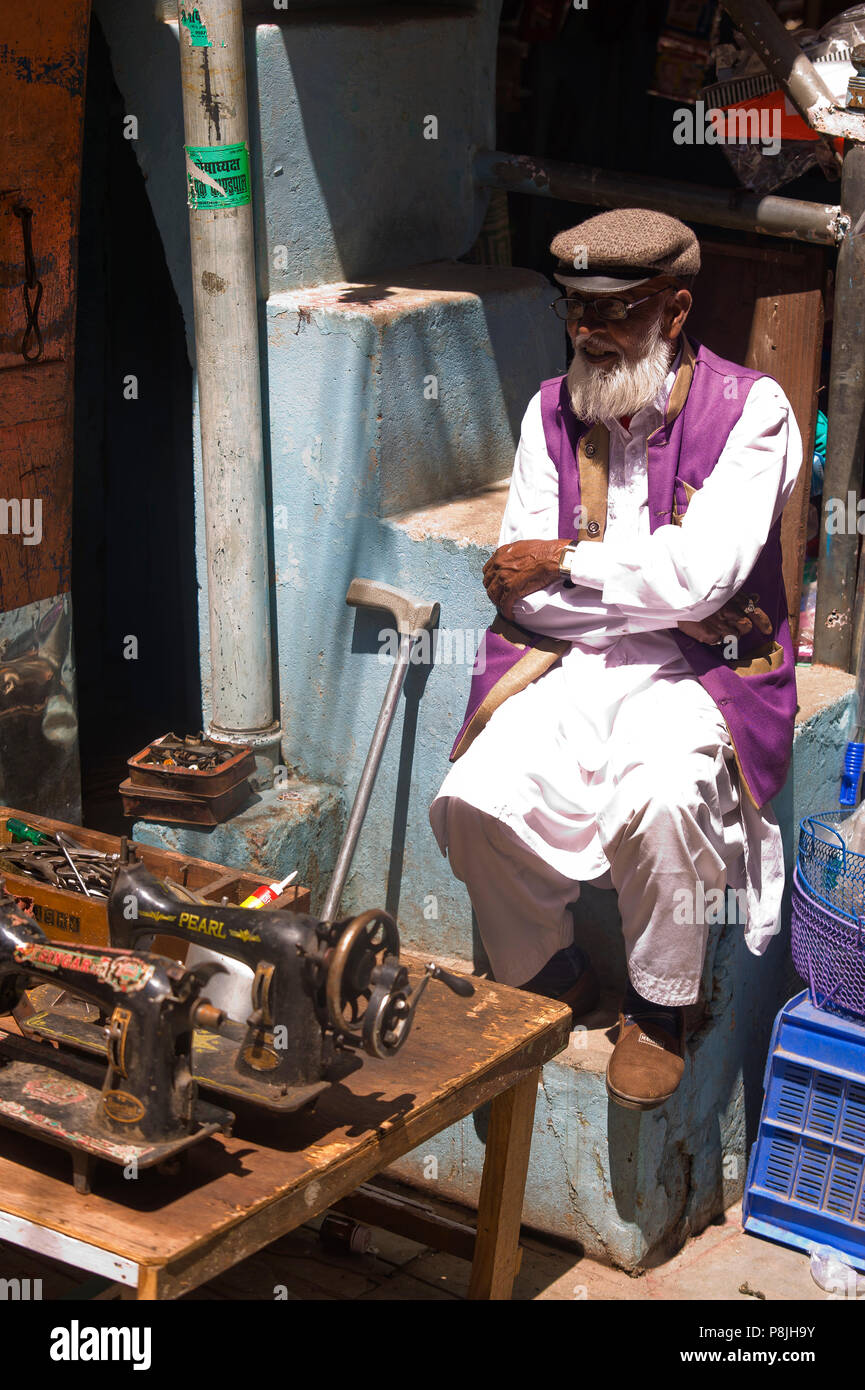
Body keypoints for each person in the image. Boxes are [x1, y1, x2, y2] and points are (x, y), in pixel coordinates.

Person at [429, 207, 802, 1111]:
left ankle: (659, 1008)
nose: (588, 334)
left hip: (699, 673)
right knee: (472, 801)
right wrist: (618, 593)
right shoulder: (549, 410)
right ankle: (550, 973)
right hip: (572, 661)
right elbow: (521, 594)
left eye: (616, 312)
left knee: (665, 796)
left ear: (673, 313)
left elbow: (701, 582)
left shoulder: (751, 411)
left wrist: (571, 561)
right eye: (574, 311)